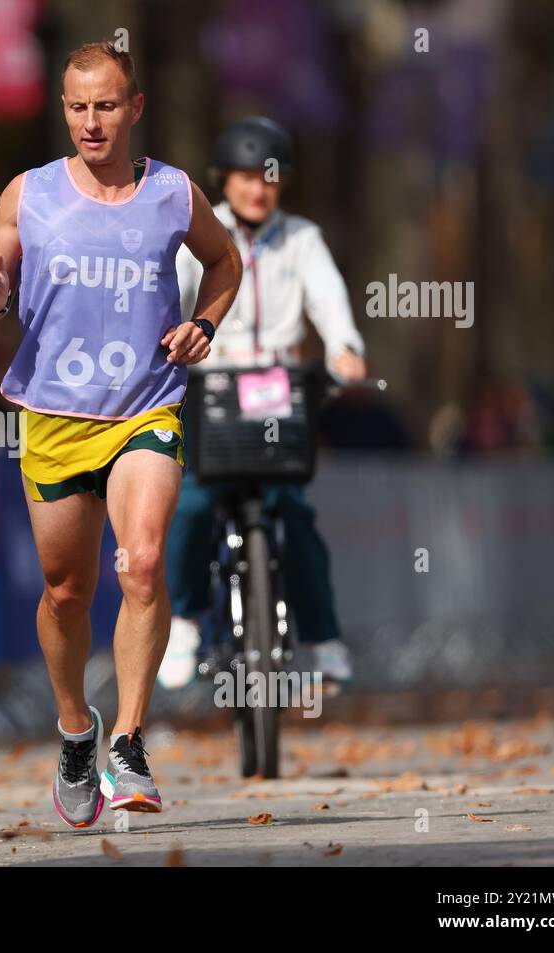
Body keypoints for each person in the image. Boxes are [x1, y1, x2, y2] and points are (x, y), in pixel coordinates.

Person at [0, 42, 242, 827]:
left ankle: (127, 738)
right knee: (64, 593)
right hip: (54, 415)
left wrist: (203, 324)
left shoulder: (173, 192)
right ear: (64, 109)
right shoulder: (30, 192)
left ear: (134, 109)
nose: (93, 121)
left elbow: (223, 264)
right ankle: (75, 729)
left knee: (144, 562)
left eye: (107, 105)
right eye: (79, 106)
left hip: (144, 406)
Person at [162, 117, 367, 689]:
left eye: (270, 178)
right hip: (212, 391)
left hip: (280, 399)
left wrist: (346, 350)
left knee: (295, 514)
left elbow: (330, 303)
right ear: (224, 180)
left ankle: (323, 640)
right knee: (194, 506)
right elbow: (172, 302)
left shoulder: (302, 239)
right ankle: (184, 621)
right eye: (246, 177)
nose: (259, 189)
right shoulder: (198, 235)